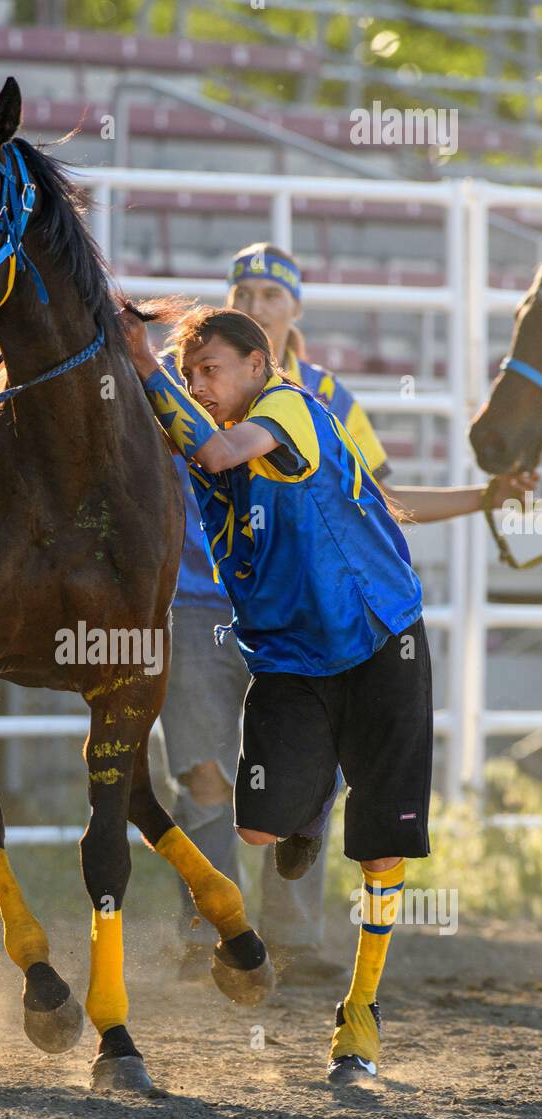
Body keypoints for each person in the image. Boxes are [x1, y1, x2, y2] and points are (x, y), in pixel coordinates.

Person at [159, 243, 533, 986]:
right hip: (204, 605)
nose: (260, 301)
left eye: (273, 293)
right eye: (246, 290)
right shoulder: (190, 387)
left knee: (309, 781)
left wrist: (481, 499)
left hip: (315, 622)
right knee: (205, 777)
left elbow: (379, 501)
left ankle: (295, 941)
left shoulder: (319, 397)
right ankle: (211, 929)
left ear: (291, 315)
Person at [123, 301, 433, 1081]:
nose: (199, 385)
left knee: (382, 846)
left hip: (378, 635)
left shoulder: (286, 405)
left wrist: (145, 364)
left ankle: (358, 1020)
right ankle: (313, 797)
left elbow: (226, 453)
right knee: (258, 830)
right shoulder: (200, 450)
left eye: (211, 370)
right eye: (190, 374)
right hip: (292, 659)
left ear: (258, 367)